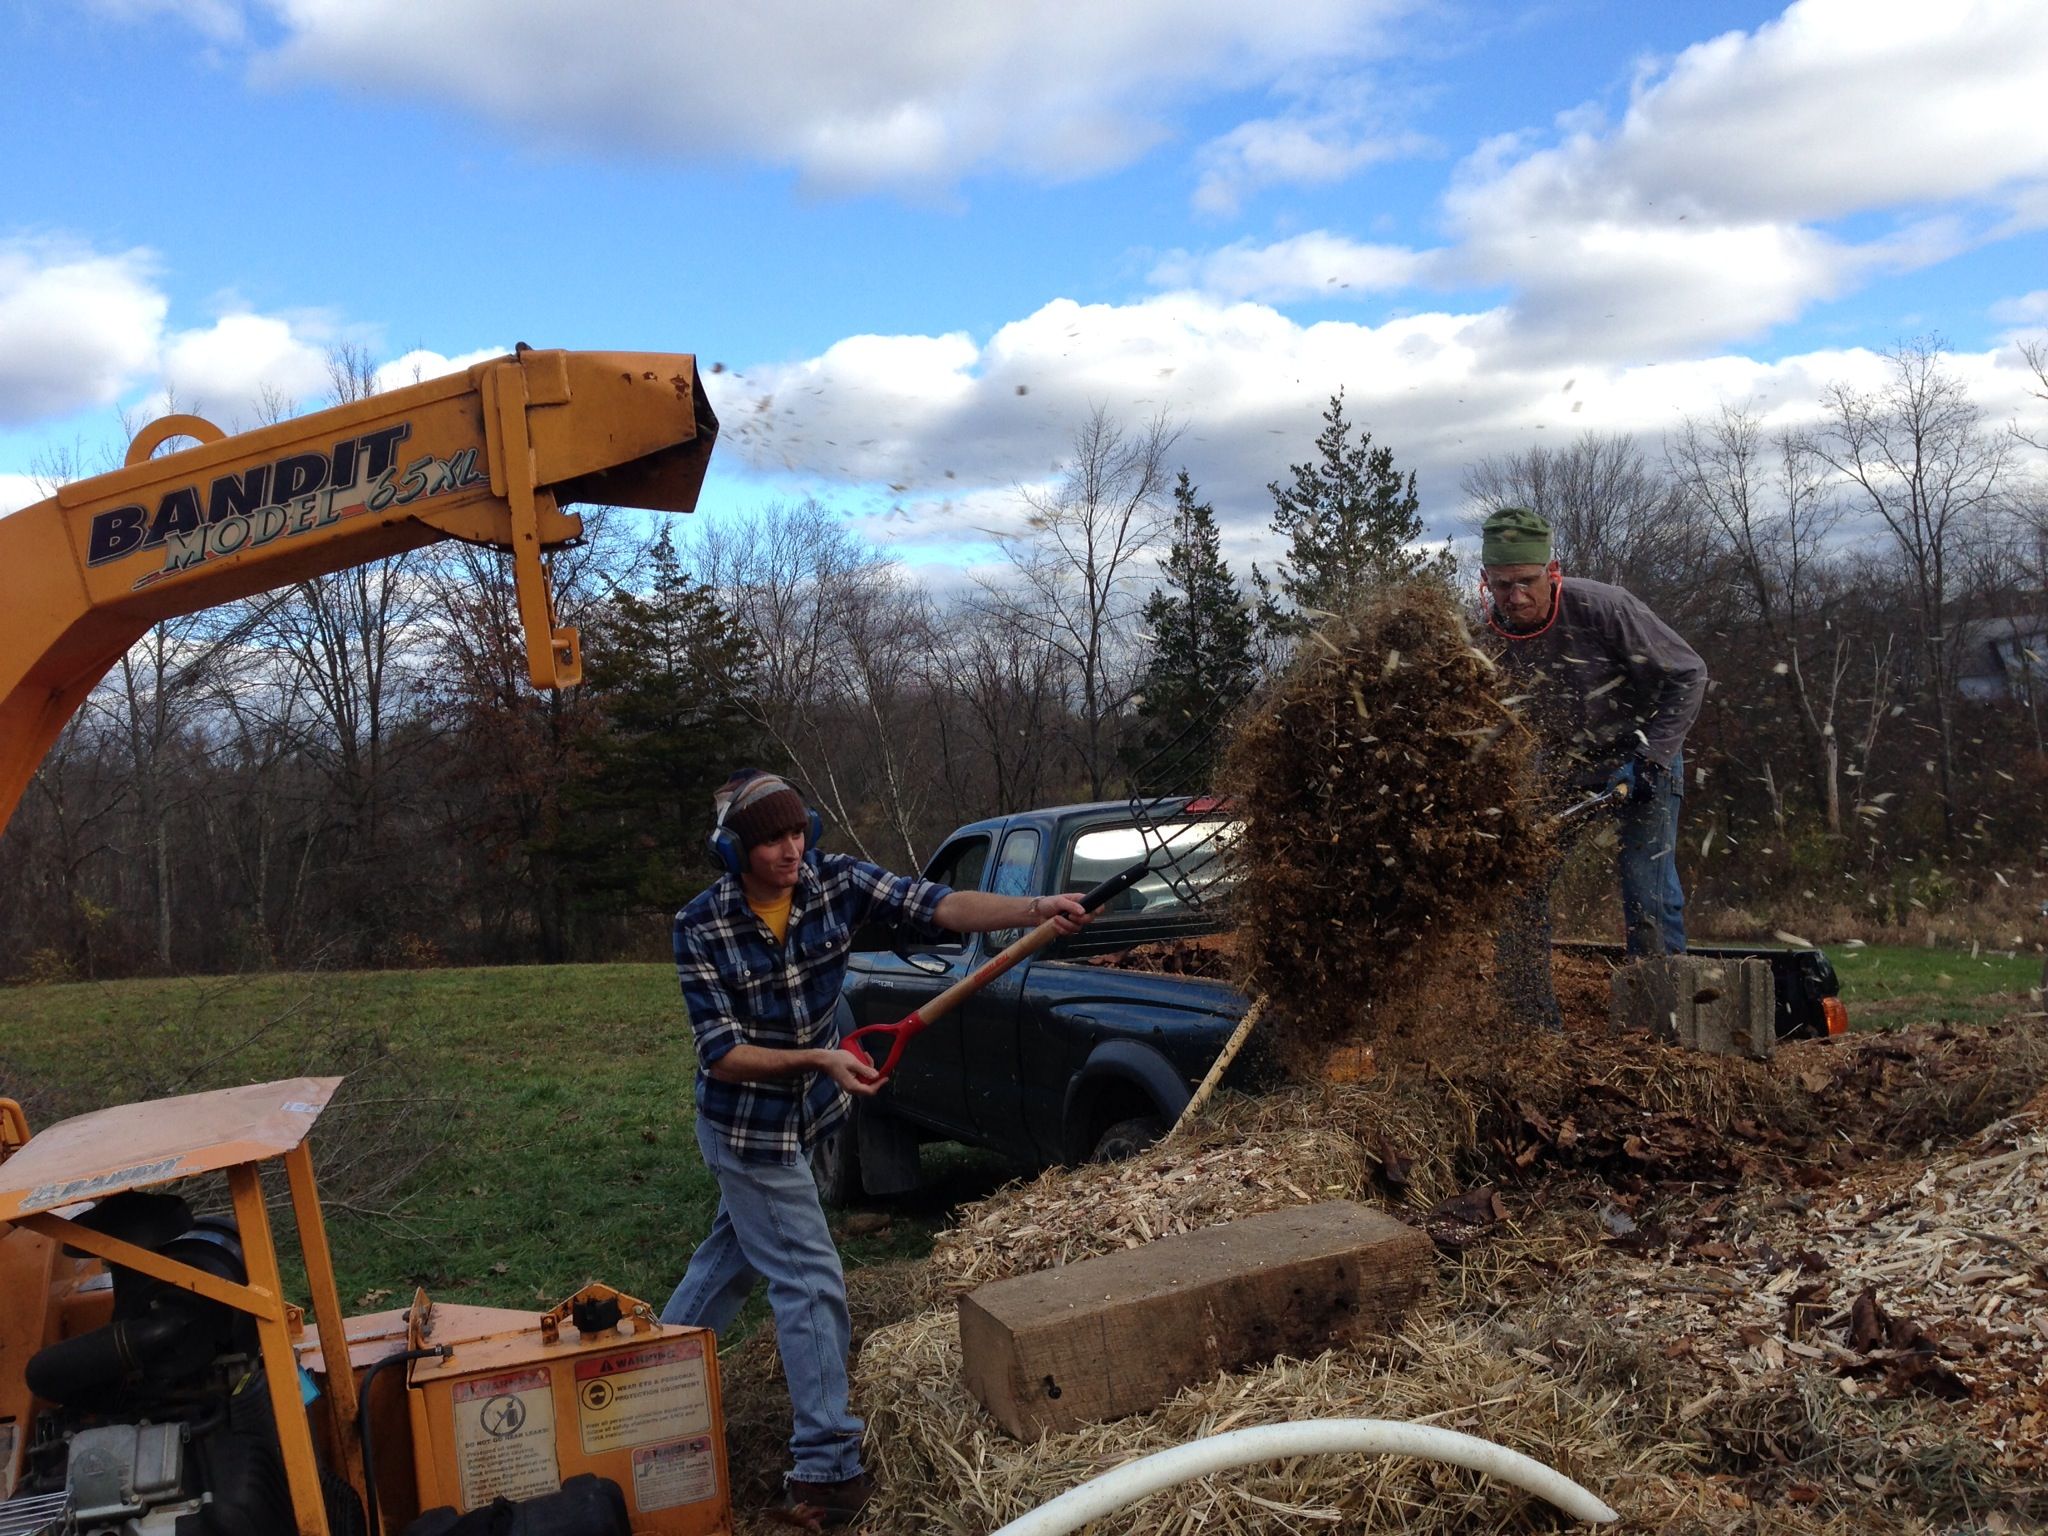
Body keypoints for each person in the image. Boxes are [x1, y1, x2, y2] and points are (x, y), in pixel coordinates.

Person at [661, 770, 1091, 1528]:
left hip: (813, 1117)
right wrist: (820, 1059)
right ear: (733, 851)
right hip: (748, 1130)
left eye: (798, 832)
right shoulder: (700, 925)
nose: (791, 850)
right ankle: (825, 1468)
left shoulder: (835, 882)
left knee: (733, 1256)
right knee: (810, 1279)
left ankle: (650, 1379)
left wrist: (1034, 909)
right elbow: (722, 1053)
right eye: (770, 840)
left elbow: (940, 906)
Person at [1477, 507, 1707, 1031]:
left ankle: (1663, 1029)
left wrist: (1650, 759)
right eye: (1502, 585)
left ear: (1552, 572)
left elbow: (1690, 674)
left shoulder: (1605, 609)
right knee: (1518, 882)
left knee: (1647, 891)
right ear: (1486, 581)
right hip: (1561, 768)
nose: (1515, 597)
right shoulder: (1485, 641)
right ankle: (1533, 1032)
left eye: (1527, 582)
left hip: (1643, 752)